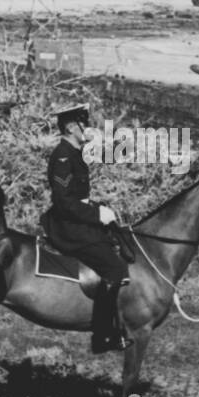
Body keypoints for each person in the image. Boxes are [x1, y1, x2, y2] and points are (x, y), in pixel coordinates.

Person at [43, 103, 131, 353]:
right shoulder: (62, 157)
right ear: (71, 127)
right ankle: (103, 335)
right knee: (114, 268)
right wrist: (95, 214)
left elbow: (76, 197)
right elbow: (63, 202)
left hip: (77, 218)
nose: (88, 129)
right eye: (84, 124)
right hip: (67, 224)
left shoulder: (74, 153)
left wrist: (97, 208)